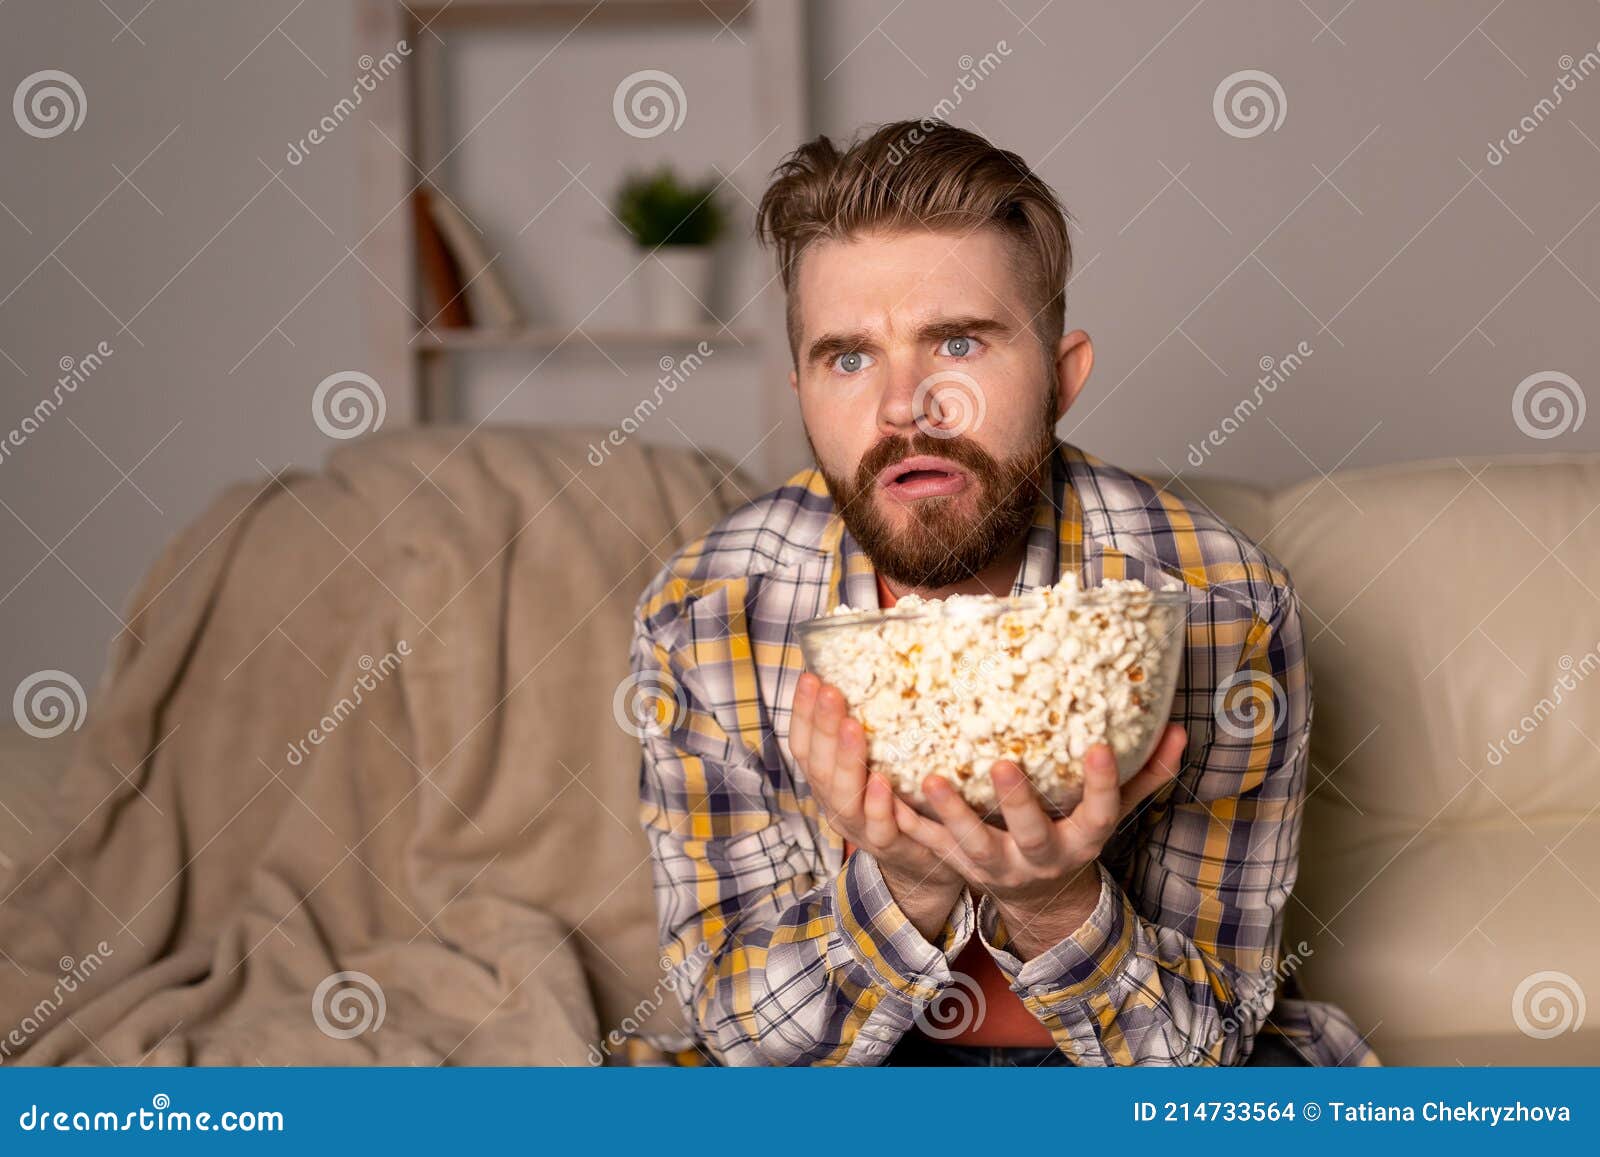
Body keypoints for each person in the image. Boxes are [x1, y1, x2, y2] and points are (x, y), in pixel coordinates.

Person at [627, 119, 1377, 1067]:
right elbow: (742, 1032)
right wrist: (903, 884)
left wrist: (1054, 900)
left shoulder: (1223, 605)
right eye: (848, 357)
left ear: (1062, 379)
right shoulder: (705, 614)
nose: (906, 404)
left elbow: (1201, 1055)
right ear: (803, 391)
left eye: (960, 343)